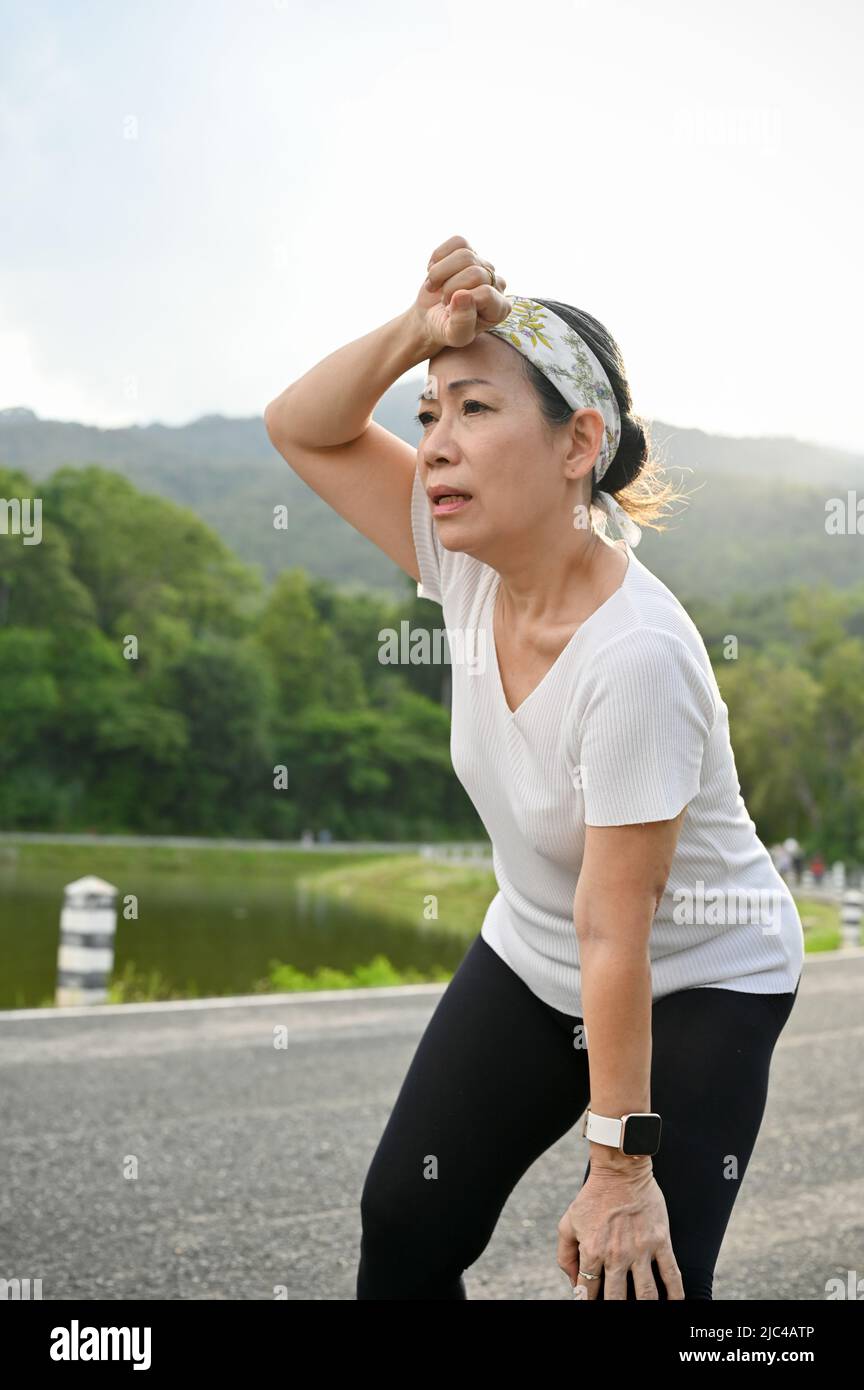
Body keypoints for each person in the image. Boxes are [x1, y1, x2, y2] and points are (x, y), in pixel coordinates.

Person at [264, 235, 805, 1301]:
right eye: (428, 414)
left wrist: (619, 1168)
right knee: (408, 1220)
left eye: (473, 408)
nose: (431, 447)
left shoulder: (636, 654)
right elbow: (300, 426)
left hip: (700, 974)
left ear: (577, 445)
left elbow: (622, 929)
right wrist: (421, 331)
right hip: (541, 946)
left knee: (637, 1283)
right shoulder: (467, 559)